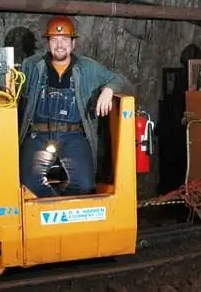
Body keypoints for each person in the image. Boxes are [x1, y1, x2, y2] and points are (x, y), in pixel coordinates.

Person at [18, 16, 129, 198]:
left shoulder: (87, 67)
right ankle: (56, 211)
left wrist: (109, 90)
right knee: (28, 183)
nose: (59, 45)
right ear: (48, 43)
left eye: (64, 40)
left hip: (73, 135)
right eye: (54, 40)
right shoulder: (31, 65)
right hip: (38, 134)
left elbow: (120, 79)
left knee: (85, 184)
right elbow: (13, 87)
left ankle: (62, 210)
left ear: (73, 43)